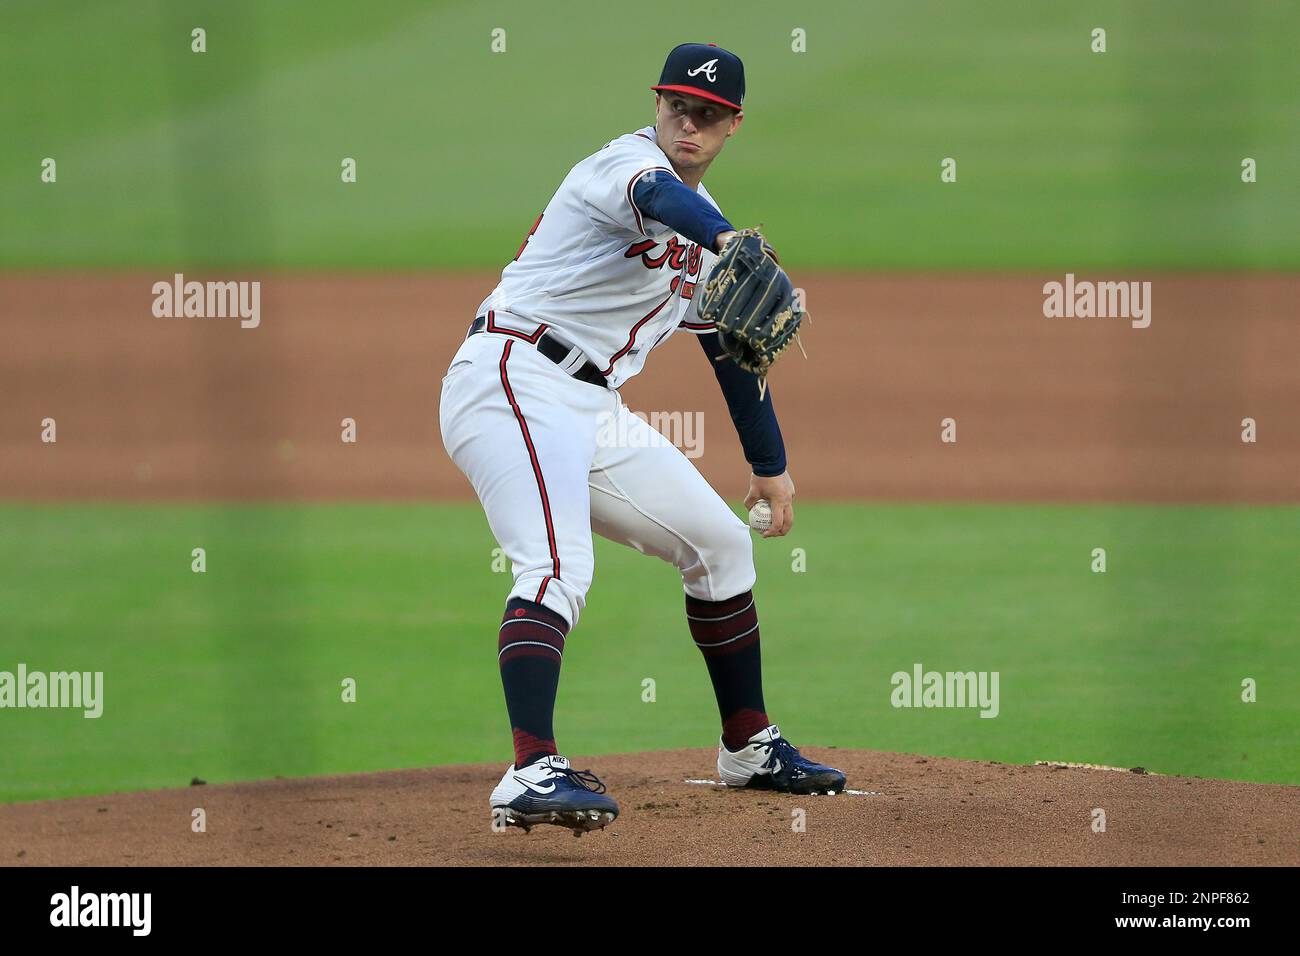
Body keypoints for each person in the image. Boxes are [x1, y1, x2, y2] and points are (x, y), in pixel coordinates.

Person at [439, 42, 846, 834]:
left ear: (733, 126)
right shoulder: (622, 168)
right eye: (677, 109)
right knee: (557, 567)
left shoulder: (707, 230)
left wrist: (771, 467)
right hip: (512, 375)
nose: (688, 125)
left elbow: (733, 346)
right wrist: (727, 238)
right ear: (656, 107)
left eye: (708, 116)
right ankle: (529, 772)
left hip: (589, 406)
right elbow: (662, 195)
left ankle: (748, 747)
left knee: (723, 547)